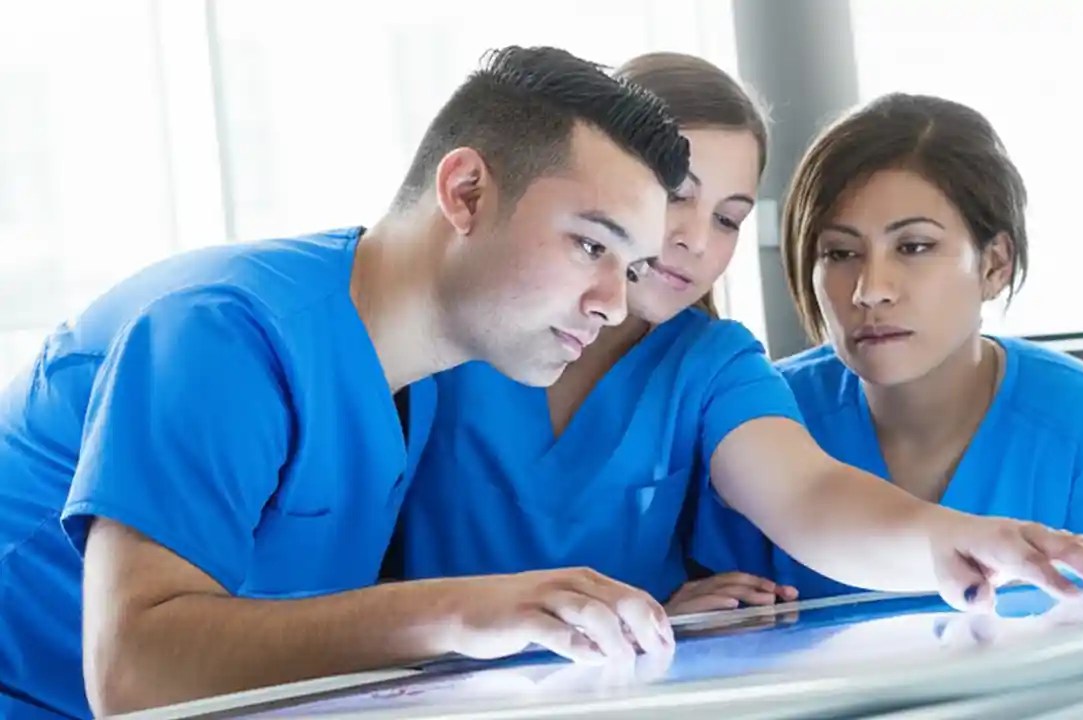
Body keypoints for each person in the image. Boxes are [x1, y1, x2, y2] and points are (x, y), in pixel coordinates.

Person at [0, 46, 689, 718]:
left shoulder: (422, 389)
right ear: (466, 192)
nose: (613, 304)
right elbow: (131, 672)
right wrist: (461, 611)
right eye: (592, 245)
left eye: (629, 268)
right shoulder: (224, 332)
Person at [395, 55, 1083, 627]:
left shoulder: (714, 366)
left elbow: (809, 493)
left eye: (728, 218)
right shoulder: (458, 329)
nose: (691, 240)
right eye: (674, 197)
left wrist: (952, 543)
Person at [694, 93, 1083, 601]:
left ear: (994, 265)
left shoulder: (1080, 418)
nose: (870, 289)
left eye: (914, 247)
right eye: (839, 253)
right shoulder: (759, 420)